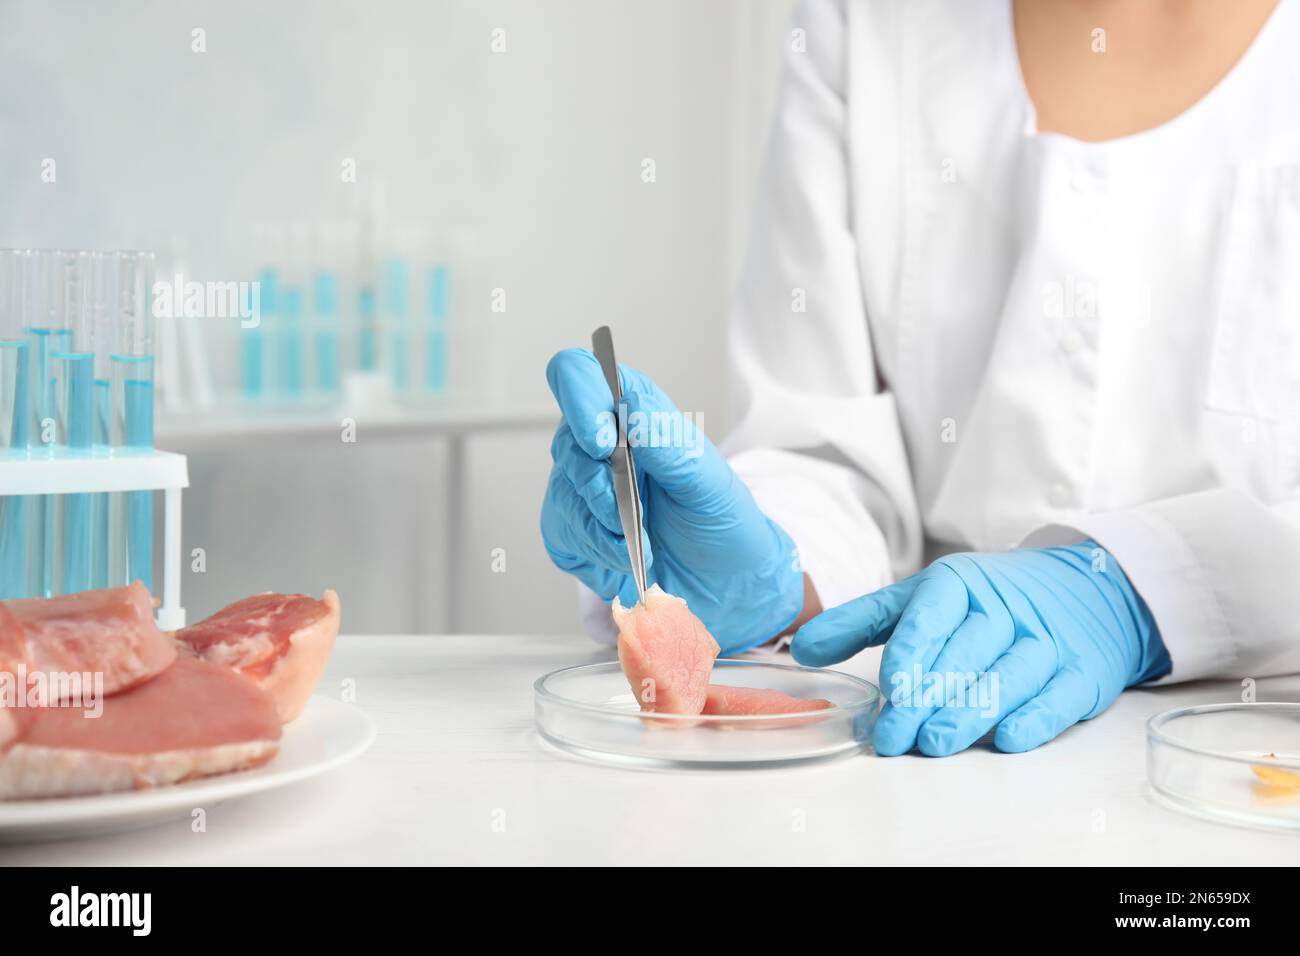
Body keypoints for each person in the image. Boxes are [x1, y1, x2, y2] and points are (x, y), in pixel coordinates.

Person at [541, 0, 1300, 756]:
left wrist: (1140, 593)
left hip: (1243, 763)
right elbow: (823, 439)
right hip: (928, 744)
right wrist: (771, 575)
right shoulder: (865, 19)